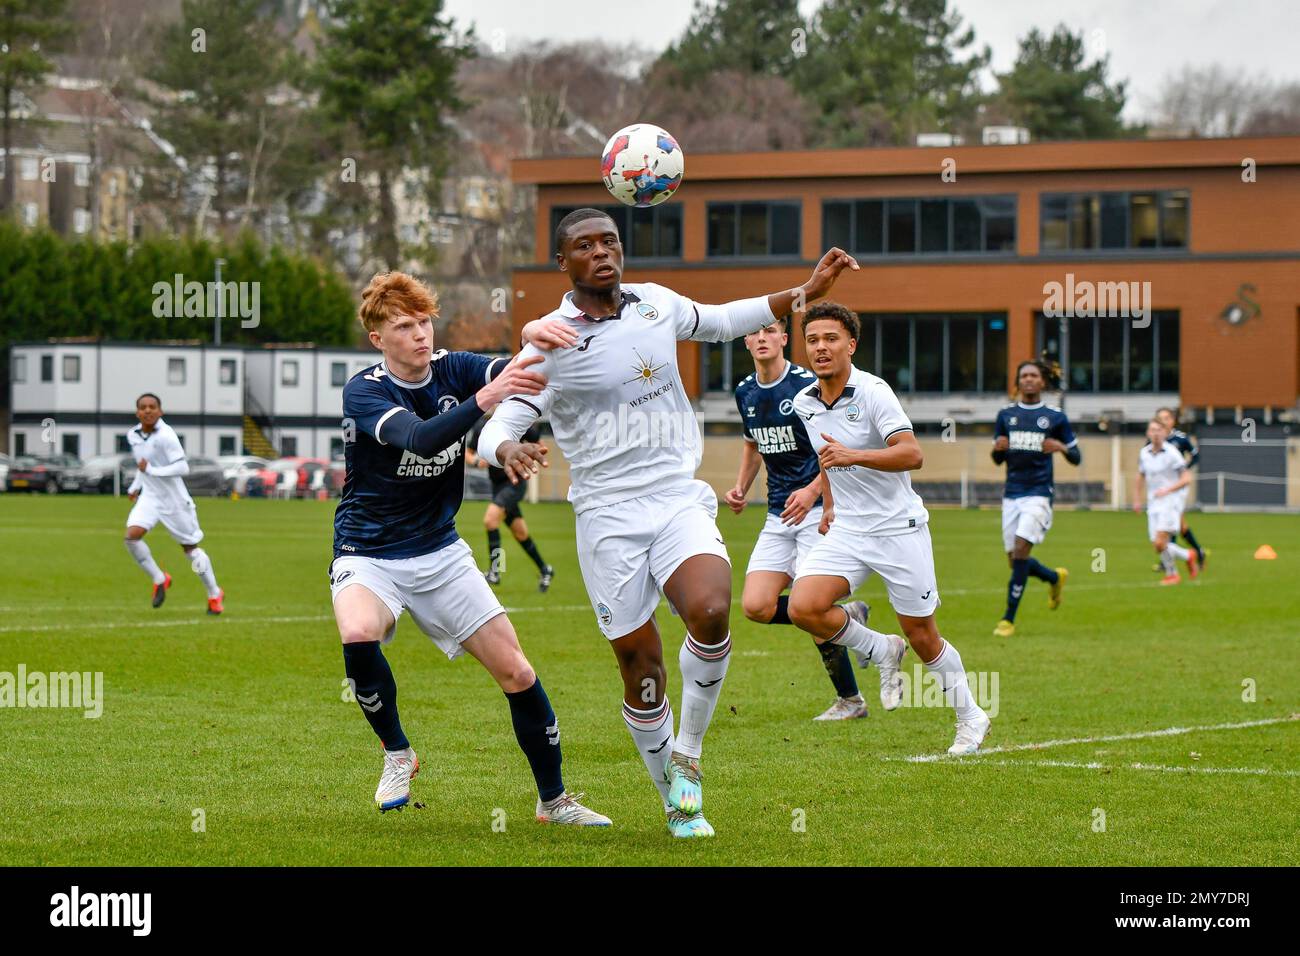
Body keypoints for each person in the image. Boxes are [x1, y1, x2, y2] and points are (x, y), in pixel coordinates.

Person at [476, 207, 859, 837]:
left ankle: (690, 754)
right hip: (606, 518)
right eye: (586, 245)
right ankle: (673, 800)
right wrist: (505, 449)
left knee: (710, 609)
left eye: (611, 241)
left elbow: (722, 319)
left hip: (677, 496)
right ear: (562, 262)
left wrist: (804, 294)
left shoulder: (656, 302)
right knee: (641, 665)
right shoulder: (549, 342)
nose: (603, 252)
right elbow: (500, 424)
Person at [331, 270, 608, 825]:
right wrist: (487, 399)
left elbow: (522, 372)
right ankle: (397, 753)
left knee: (517, 673)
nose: (419, 334)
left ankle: (554, 801)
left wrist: (529, 341)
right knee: (360, 632)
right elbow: (420, 437)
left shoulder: (454, 367)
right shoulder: (365, 390)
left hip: (439, 550)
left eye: (425, 322)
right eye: (404, 326)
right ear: (377, 339)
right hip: (367, 550)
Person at [786, 302, 991, 756]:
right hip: (847, 530)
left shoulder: (875, 392)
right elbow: (829, 458)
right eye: (813, 340)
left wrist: (855, 456)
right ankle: (880, 650)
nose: (821, 348)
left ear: (851, 345)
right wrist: (829, 504)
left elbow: (912, 454)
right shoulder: (804, 402)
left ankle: (971, 717)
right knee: (804, 607)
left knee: (922, 635)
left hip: (899, 528)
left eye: (831, 339)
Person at [726, 316, 895, 721]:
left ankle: (851, 700)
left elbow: (836, 447)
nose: (763, 338)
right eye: (756, 332)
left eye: (771, 331)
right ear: (746, 341)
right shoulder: (745, 391)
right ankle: (850, 617)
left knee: (811, 609)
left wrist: (814, 491)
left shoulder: (806, 386)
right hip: (778, 513)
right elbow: (753, 446)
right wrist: (740, 487)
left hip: (819, 509)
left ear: (785, 339)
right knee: (756, 606)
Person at [989, 361, 1080, 637]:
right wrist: (998, 449)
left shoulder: (1055, 417)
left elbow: (1077, 458)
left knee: (1019, 551)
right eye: (1024, 376)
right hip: (1012, 494)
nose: (1029, 380)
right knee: (1015, 560)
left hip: (1039, 494)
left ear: (1042, 382)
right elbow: (997, 459)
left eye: (1034, 376)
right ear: (1019, 382)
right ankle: (1054, 578)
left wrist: (1061, 447)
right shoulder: (1006, 415)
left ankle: (1008, 619)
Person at [124, 393, 224, 615]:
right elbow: (143, 465)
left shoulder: (167, 436)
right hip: (150, 497)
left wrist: (152, 472)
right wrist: (136, 485)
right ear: (137, 412)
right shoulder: (133, 435)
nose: (148, 411)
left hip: (174, 500)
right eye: (143, 407)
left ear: (160, 411)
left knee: (191, 550)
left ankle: (214, 593)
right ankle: (160, 578)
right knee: (132, 537)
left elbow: (182, 467)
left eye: (152, 407)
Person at [466, 417, 555, 591]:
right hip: (497, 486)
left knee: (490, 520)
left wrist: (525, 453)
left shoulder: (519, 420)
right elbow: (468, 454)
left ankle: (495, 571)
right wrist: (477, 461)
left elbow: (543, 447)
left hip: (515, 483)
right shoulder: (481, 427)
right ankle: (545, 569)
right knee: (520, 533)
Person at [1135, 417, 1200, 585]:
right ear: (1148, 433)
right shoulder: (1144, 453)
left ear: (1164, 433)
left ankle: (1172, 574)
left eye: (1159, 430)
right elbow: (1140, 475)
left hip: (1169, 502)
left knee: (1160, 542)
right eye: (1152, 430)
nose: (1155, 434)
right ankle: (1188, 555)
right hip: (1153, 503)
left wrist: (1168, 490)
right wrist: (1137, 498)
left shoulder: (1172, 453)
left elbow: (1186, 478)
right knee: (1157, 544)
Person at [1154, 407, 1208, 570]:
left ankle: (1168, 562)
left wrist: (1185, 468)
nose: (1163, 421)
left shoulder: (1180, 439)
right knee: (1178, 525)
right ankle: (1198, 552)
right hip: (1162, 488)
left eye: (1166, 418)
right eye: (1159, 418)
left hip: (1177, 487)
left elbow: (1196, 454)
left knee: (1171, 523)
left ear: (1172, 421)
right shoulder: (1154, 439)